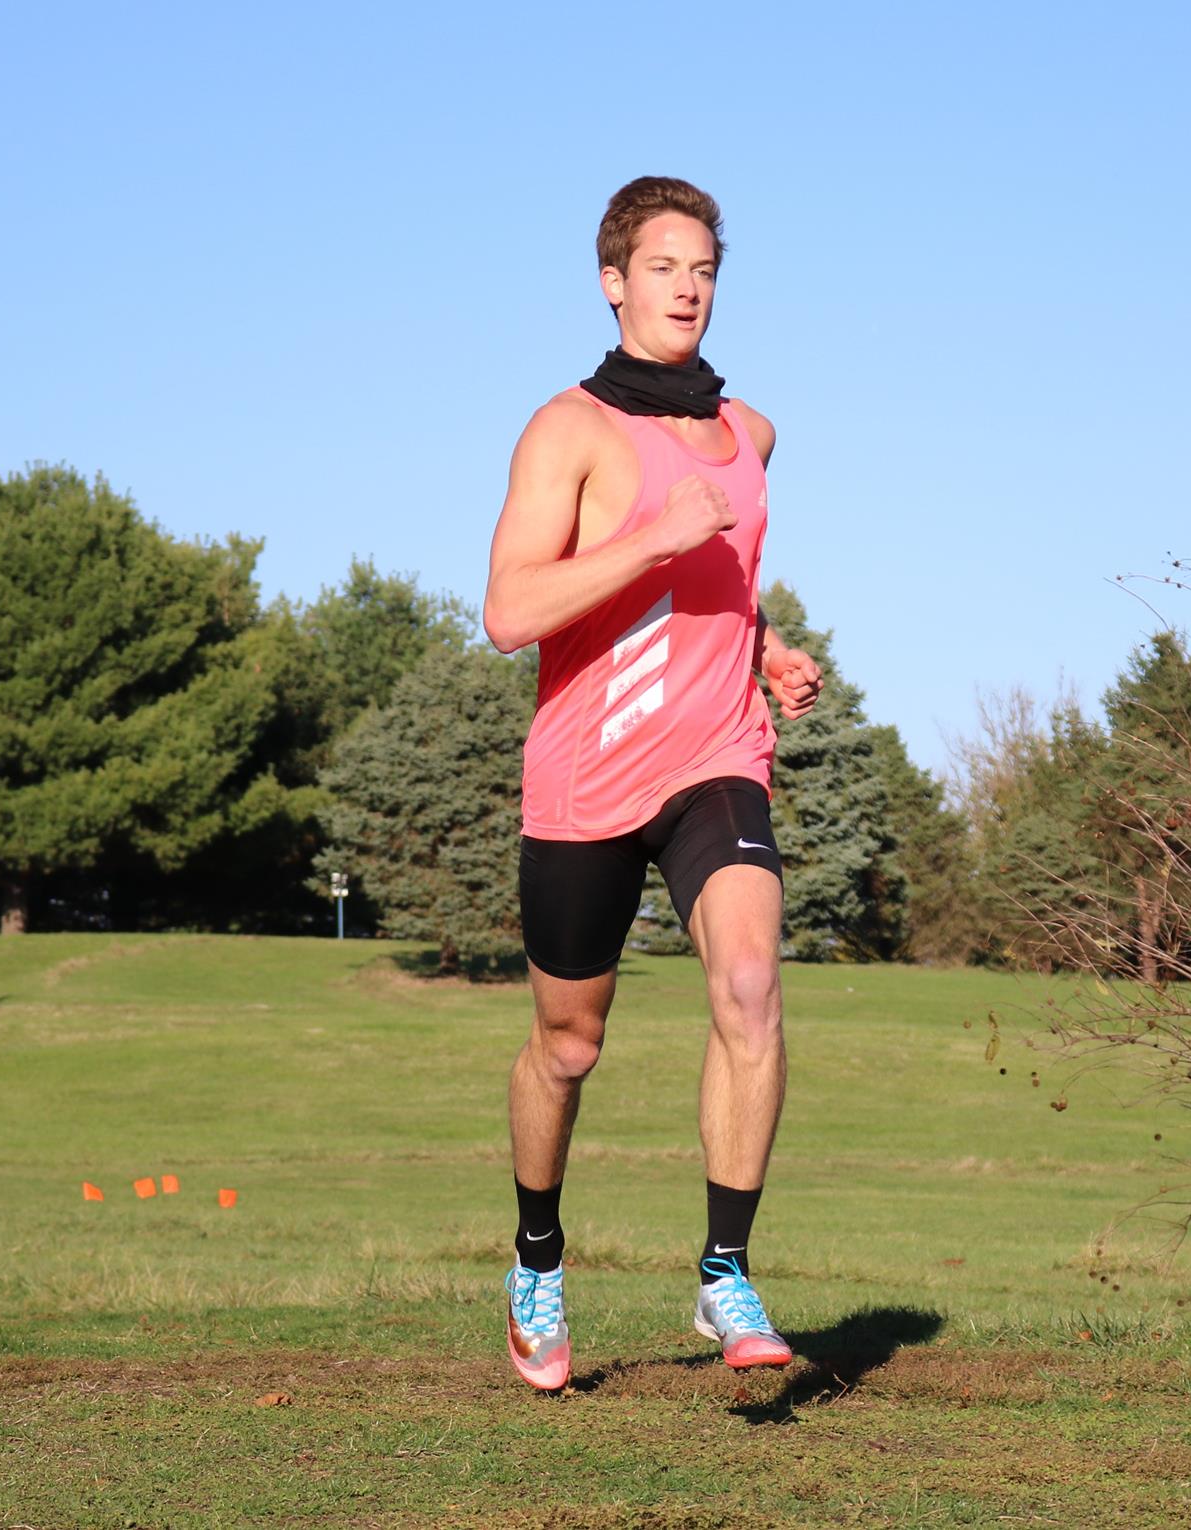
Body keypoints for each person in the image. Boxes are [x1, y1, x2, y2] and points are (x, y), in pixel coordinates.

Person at [482, 176, 824, 1393]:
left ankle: (725, 1269)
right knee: (567, 1046)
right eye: (664, 267)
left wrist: (764, 648)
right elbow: (509, 611)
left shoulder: (751, 437)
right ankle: (536, 1260)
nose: (687, 288)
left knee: (749, 983)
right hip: (585, 778)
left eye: (704, 269)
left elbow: (724, 582)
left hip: (715, 757)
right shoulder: (566, 431)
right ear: (613, 283)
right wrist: (649, 539)